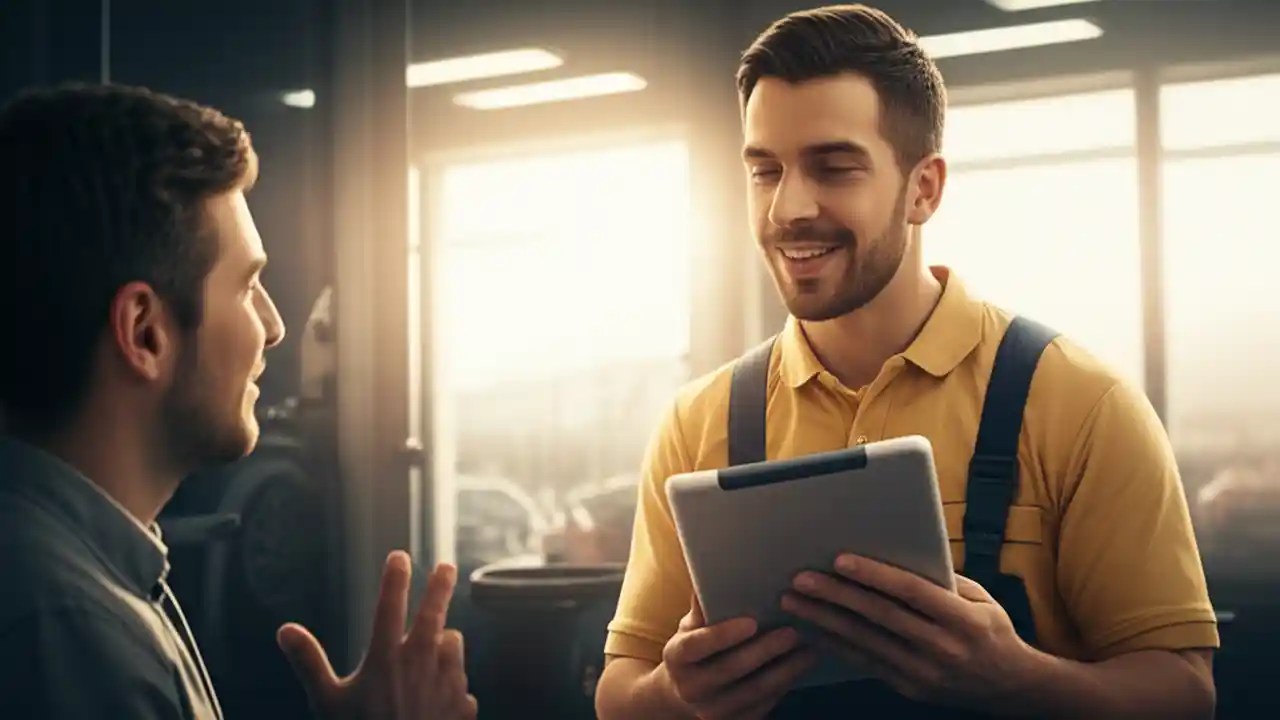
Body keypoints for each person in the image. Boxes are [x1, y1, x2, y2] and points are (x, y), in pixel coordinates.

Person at [595, 5, 1218, 719]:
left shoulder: (1082, 404)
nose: (788, 208)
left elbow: (1186, 695)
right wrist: (676, 694)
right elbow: (619, 697)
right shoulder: (696, 421)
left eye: (833, 168)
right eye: (765, 171)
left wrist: (1018, 679)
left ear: (924, 188)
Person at [0, 83, 476, 720]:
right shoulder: (74, 633)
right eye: (248, 284)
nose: (274, 325)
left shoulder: (83, 575)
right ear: (144, 331)